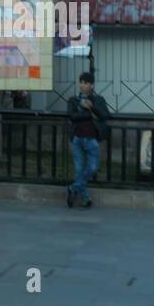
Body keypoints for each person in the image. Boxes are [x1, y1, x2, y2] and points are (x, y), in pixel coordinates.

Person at [66, 71, 110, 208]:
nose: (82, 85)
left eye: (85, 83)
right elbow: (72, 116)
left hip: (91, 140)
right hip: (77, 139)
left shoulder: (98, 100)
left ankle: (73, 188)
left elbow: (105, 115)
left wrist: (92, 107)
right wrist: (85, 112)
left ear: (92, 85)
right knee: (79, 170)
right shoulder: (73, 100)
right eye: (81, 82)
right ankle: (85, 198)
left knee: (92, 167)